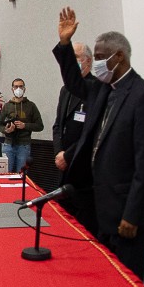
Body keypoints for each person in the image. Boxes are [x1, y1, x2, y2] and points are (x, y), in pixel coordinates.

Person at [54, 8, 144, 279]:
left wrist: (133, 215)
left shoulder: (142, 97)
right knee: (107, 274)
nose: (98, 63)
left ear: (120, 57)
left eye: (101, 58)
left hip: (127, 209)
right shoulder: (104, 89)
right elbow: (73, 82)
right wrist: (65, 44)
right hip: (101, 202)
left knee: (129, 279)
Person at [52, 41, 97, 233]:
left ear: (87, 61)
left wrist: (68, 156)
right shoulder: (65, 90)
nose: (70, 63)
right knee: (65, 223)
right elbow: (57, 126)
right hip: (63, 169)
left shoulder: (95, 89)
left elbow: (92, 133)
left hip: (84, 172)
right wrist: (59, 153)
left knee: (84, 228)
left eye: (75, 58)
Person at [0, 78, 43, 174]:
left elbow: (40, 126)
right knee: (5, 173)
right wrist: (6, 130)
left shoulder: (31, 106)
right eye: (16, 86)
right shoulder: (7, 106)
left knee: (22, 174)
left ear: (24, 89)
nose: (18, 89)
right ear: (12, 89)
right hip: (8, 144)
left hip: (24, 145)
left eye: (21, 86)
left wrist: (25, 125)